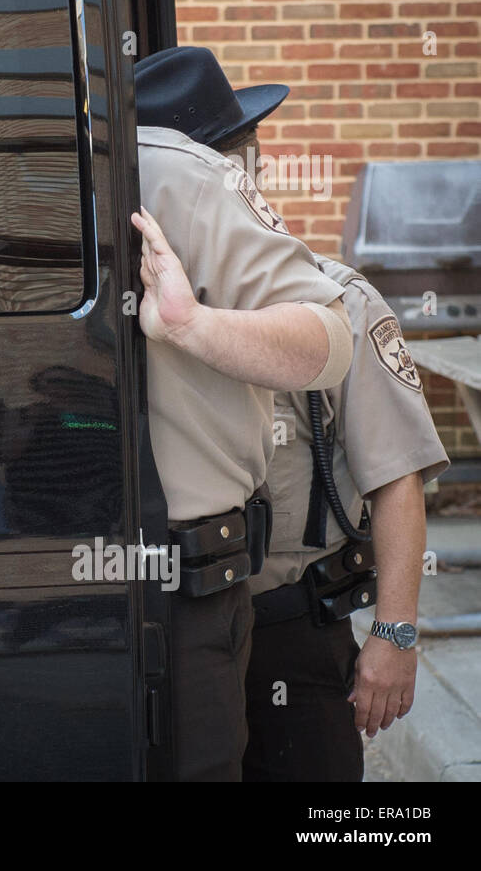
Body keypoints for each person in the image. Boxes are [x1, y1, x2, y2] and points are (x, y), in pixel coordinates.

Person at [131, 45, 354, 781]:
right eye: (243, 150)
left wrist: (195, 325)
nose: (252, 169)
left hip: (228, 577)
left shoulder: (177, 186)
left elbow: (331, 341)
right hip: (173, 575)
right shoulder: (191, 183)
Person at [241, 253, 448, 781]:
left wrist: (394, 632)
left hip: (288, 626)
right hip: (157, 626)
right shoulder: (134, 290)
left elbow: (397, 475)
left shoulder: (338, 298)